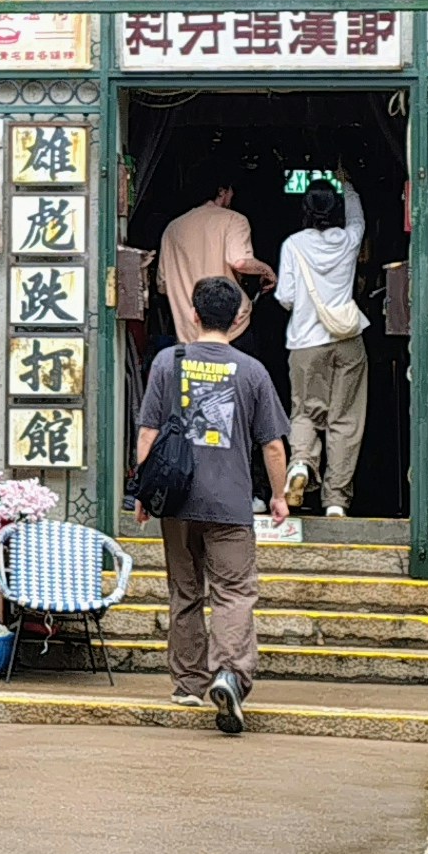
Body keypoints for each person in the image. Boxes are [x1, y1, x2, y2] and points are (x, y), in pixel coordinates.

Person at [133, 274, 290, 733]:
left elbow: (147, 432)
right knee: (234, 592)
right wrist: (279, 497)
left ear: (195, 314)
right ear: (238, 317)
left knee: (185, 591)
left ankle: (187, 683)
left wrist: (145, 493)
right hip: (230, 504)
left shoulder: (167, 361)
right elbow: (274, 445)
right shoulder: (253, 371)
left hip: (177, 502)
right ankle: (229, 674)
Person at [271, 177, 368, 518]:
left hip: (306, 343)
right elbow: (358, 221)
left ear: (305, 211)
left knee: (305, 412)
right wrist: (349, 186)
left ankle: (300, 464)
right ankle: (336, 501)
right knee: (346, 420)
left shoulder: (293, 245)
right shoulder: (349, 240)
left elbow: (285, 297)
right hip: (347, 340)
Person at [153, 181, 274, 347]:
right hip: (233, 330)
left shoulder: (173, 228)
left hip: (189, 336)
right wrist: (266, 270)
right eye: (231, 191)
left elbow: (162, 286)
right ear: (222, 192)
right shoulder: (234, 219)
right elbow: (239, 262)